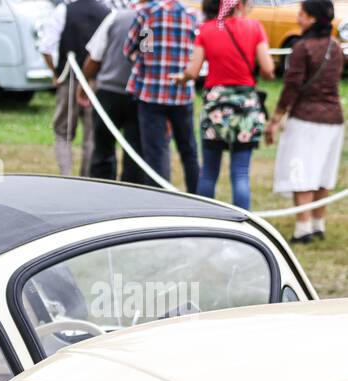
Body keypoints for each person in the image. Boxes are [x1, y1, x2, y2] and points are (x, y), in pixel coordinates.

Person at [174, 0, 274, 209]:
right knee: (240, 173)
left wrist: (180, 79)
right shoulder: (254, 27)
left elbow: (193, 72)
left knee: (209, 172)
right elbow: (268, 68)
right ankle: (241, 224)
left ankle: (205, 221)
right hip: (245, 106)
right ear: (238, 4)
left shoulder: (206, 30)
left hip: (215, 107)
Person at [267, 0, 344, 241]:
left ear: (311, 18)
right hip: (333, 119)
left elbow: (292, 86)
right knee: (323, 172)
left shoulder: (302, 47)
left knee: (301, 172)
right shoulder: (336, 47)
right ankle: (318, 224)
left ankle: (303, 228)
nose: (297, 17)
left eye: (301, 13)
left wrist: (276, 118)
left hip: (306, 118)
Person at [124, 0, 201, 192]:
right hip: (181, 94)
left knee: (154, 154)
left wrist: (147, 56)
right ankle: (199, 196)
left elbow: (132, 49)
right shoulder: (191, 15)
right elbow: (195, 53)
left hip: (152, 93)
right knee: (189, 151)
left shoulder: (148, 13)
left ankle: (159, 199)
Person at [39, 0, 113, 175]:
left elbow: (46, 47)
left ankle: (66, 176)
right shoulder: (106, 12)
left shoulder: (63, 10)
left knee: (62, 132)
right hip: (96, 82)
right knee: (91, 136)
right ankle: (85, 179)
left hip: (69, 80)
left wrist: (55, 73)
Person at [81, 0, 147, 182]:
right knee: (135, 151)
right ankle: (131, 192)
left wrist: (84, 83)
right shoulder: (156, 19)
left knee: (103, 147)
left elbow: (95, 56)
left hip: (109, 91)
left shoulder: (116, 17)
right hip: (140, 95)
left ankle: (102, 188)